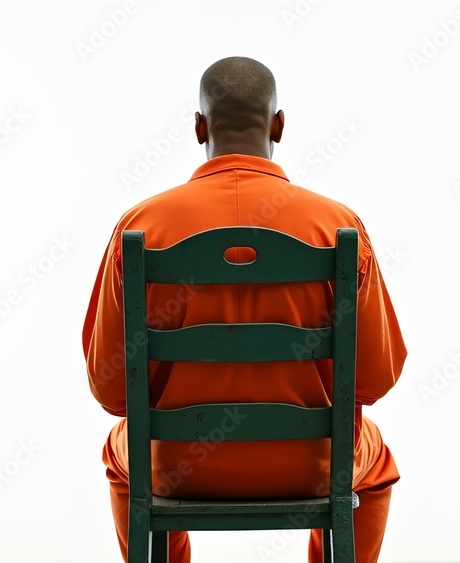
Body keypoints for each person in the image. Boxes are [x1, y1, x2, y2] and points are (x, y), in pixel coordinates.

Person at [82, 56, 407, 562]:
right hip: (313, 464)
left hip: (176, 465)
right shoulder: (337, 226)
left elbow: (110, 389)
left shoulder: (140, 228)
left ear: (198, 127)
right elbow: (375, 380)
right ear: (279, 125)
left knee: (120, 453)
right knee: (376, 460)